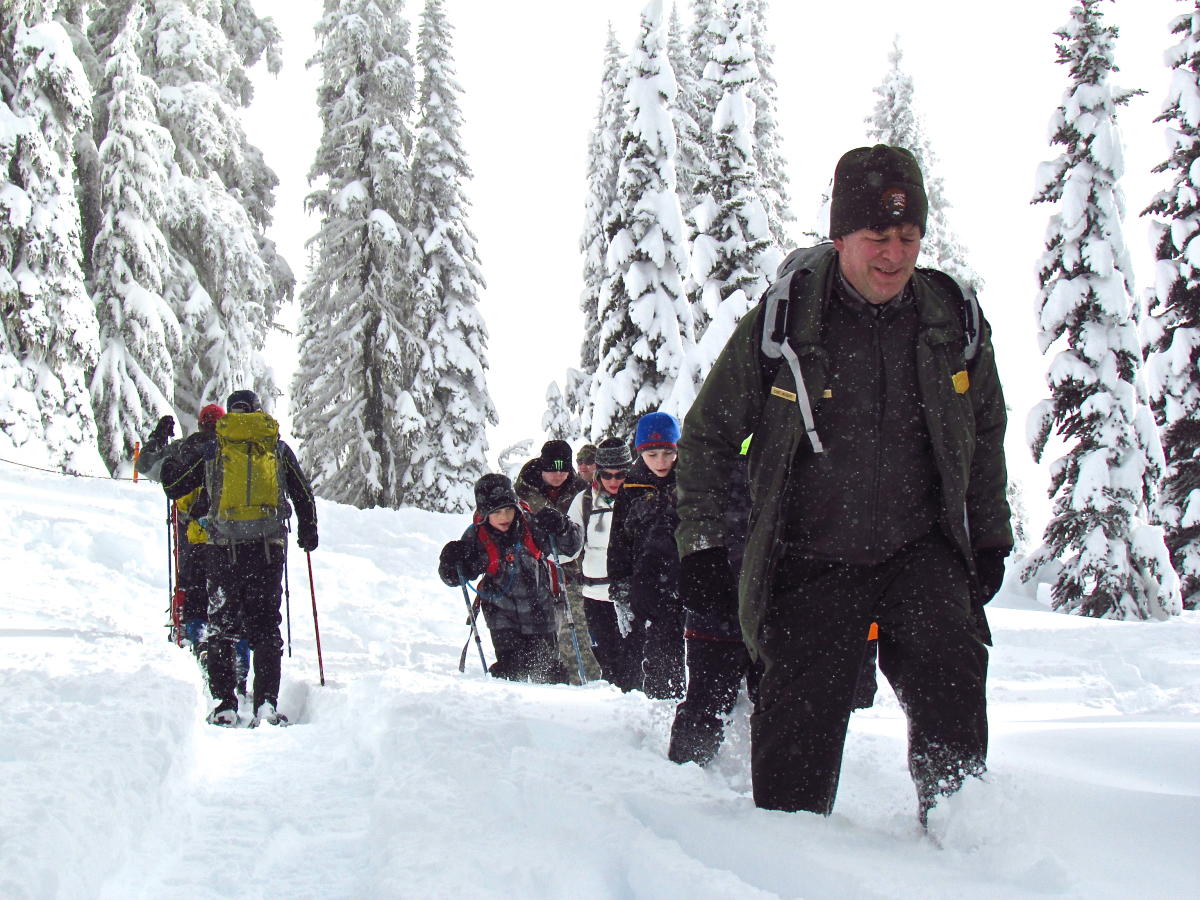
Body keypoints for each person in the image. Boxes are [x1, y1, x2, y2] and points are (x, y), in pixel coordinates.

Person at [674, 145, 1012, 824]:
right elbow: (709, 435)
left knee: (953, 679)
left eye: (908, 237)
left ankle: (966, 844)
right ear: (840, 235)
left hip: (921, 550)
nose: (894, 254)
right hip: (813, 557)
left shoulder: (952, 322)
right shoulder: (788, 321)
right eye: (877, 237)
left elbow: (985, 435)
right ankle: (787, 862)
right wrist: (703, 544)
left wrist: (990, 537)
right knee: (795, 738)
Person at [162, 389, 318, 727]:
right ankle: (266, 705)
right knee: (265, 626)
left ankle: (225, 704)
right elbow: (303, 493)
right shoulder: (273, 444)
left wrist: (173, 458)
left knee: (222, 627)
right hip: (267, 549)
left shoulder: (216, 446)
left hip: (223, 550)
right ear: (258, 411)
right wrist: (308, 531)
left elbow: (175, 486)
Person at [140, 405, 252, 693]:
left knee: (194, 595)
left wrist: (158, 439)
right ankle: (239, 662)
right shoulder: (235, 448)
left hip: (192, 535)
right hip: (231, 537)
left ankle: (197, 644)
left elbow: (147, 465)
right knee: (232, 604)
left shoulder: (185, 449)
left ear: (201, 424)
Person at [438, 474, 582, 683]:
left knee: (547, 669)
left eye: (508, 509)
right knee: (511, 669)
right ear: (485, 513)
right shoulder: (477, 537)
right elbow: (456, 578)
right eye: (496, 512)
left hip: (539, 610)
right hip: (501, 615)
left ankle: (552, 707)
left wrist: (563, 527)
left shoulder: (530, 525)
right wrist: (450, 563)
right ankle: (512, 708)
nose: (504, 517)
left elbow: (571, 546)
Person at [607, 412, 686, 699]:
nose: (662, 462)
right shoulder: (630, 489)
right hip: (649, 588)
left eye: (668, 453)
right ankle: (660, 714)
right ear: (641, 453)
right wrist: (621, 587)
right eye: (653, 454)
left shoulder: (691, 480)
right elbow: (618, 544)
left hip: (691, 583)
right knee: (660, 659)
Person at [515, 439, 598, 682]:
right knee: (539, 632)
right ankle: (542, 680)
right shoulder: (522, 492)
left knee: (576, 632)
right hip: (534, 574)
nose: (558, 475)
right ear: (542, 467)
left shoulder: (581, 491)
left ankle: (584, 682)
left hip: (572, 573)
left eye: (563, 469)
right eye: (552, 469)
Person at [563, 436, 636, 689]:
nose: (614, 481)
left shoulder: (641, 497)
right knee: (608, 662)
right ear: (598, 473)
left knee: (635, 663)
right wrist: (559, 533)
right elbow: (565, 551)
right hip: (595, 596)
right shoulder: (584, 501)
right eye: (607, 475)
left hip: (632, 596)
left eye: (621, 474)